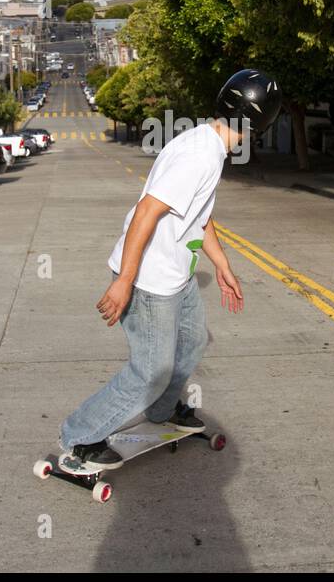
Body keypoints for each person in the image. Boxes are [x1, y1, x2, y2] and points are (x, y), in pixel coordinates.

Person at [58, 69, 284, 472]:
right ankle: (81, 436)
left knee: (194, 340)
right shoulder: (200, 155)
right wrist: (124, 282)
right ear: (260, 124)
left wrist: (222, 264)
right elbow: (148, 211)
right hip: (149, 281)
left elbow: (198, 215)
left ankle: (164, 409)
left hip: (175, 275)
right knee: (150, 372)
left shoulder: (210, 144)